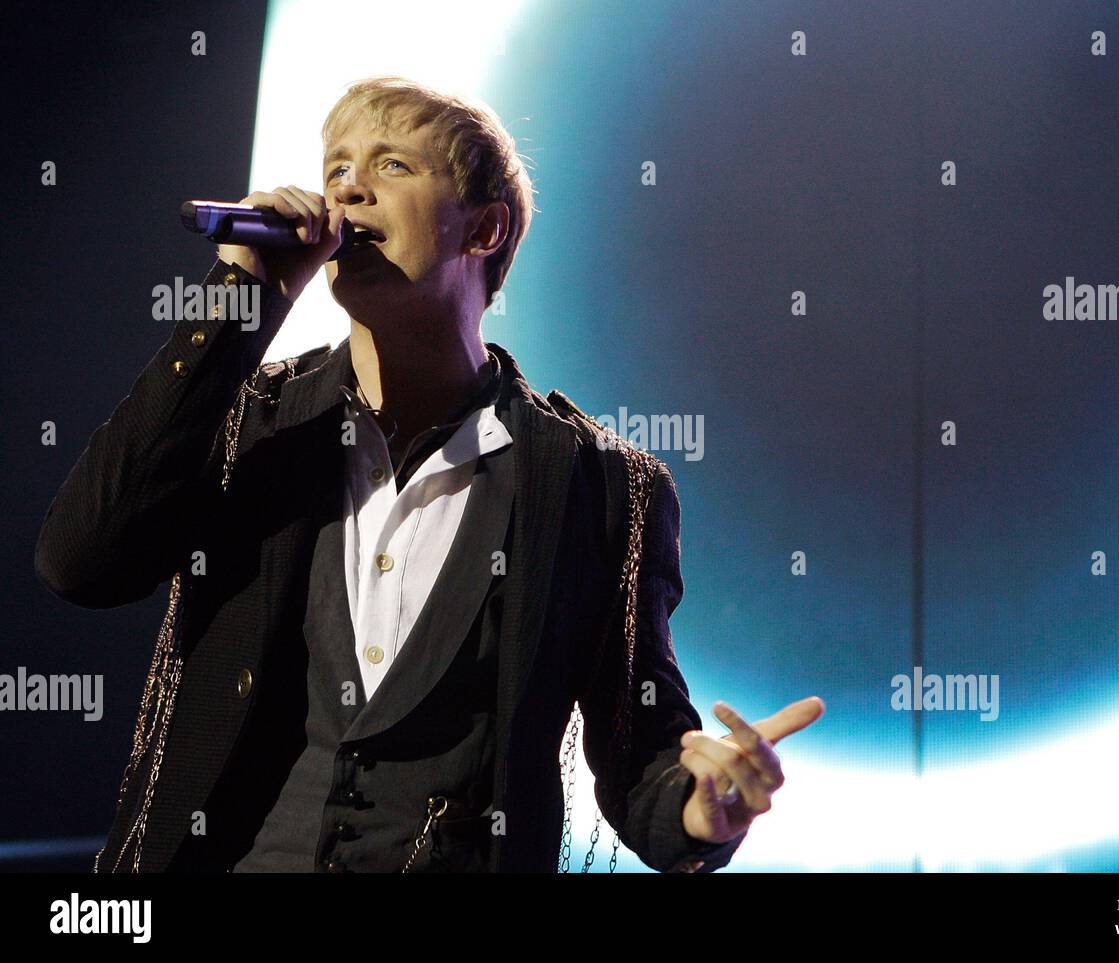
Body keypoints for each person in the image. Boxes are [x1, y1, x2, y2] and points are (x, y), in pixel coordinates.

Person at [35, 76, 823, 873]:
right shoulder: (249, 420)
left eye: (392, 165)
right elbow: (81, 561)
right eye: (337, 164)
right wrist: (243, 298)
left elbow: (642, 751)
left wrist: (704, 805)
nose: (347, 186)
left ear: (483, 229)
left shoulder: (599, 485)